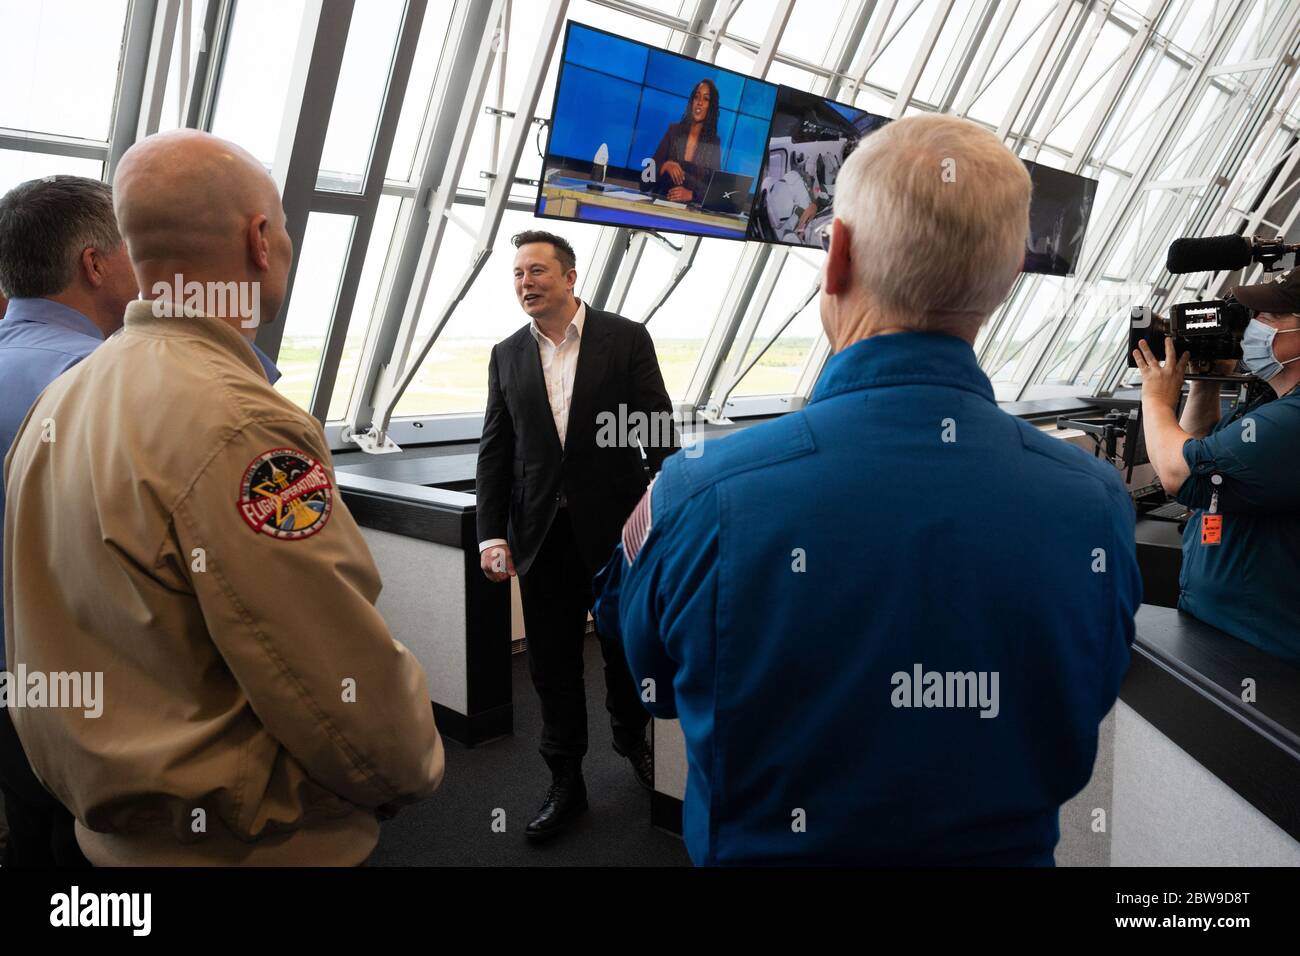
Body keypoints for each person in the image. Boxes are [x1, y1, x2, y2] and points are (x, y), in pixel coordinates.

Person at [594, 114, 1142, 866]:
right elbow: (1092, 689)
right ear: (1010, 276)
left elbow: (648, 671)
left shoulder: (699, 493)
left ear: (837, 251)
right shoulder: (1096, 503)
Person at [3, 130, 443, 866]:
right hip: (240, 847)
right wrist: (406, 770)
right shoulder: (243, 423)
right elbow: (328, 670)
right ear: (260, 239)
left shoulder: (66, 397)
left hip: (107, 834)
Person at [476, 229, 676, 841]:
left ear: (570, 277)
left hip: (617, 536)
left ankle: (633, 744)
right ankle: (565, 779)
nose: (525, 283)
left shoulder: (623, 338)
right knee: (552, 664)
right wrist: (492, 534)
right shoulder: (507, 354)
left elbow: (658, 434)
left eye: (536, 271)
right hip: (540, 537)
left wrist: (661, 513)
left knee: (623, 649)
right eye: (516, 274)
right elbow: (496, 451)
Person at [0, 175, 138, 867]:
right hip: (93, 693)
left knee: (28, 835)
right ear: (95, 264)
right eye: (133, 250)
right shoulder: (110, 383)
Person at [1133, 265, 1300, 662]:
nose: (1255, 327)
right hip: (1222, 631)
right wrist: (1204, 384)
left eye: (1271, 317)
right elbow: (1195, 450)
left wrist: (1155, 400)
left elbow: (1179, 473)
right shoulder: (1268, 407)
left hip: (1266, 650)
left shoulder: (1292, 421)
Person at [642, 79, 722, 204]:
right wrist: (664, 166)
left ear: (711, 107)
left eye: (706, 99)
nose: (700, 103)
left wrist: (692, 195)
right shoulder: (674, 131)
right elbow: (644, 183)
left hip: (689, 216)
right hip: (659, 208)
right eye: (697, 97)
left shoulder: (714, 143)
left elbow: (716, 192)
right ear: (692, 102)